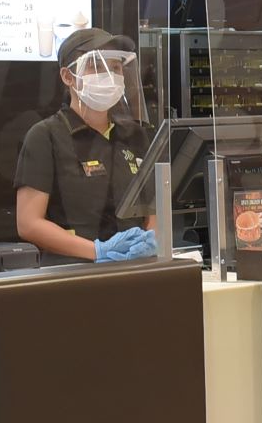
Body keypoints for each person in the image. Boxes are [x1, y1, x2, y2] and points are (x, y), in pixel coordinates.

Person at [14, 29, 157, 263]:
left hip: (135, 270)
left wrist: (150, 243)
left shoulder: (135, 136)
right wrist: (97, 251)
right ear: (68, 76)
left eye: (115, 67)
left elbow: (151, 210)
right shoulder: (45, 136)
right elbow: (29, 223)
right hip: (72, 275)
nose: (109, 76)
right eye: (96, 66)